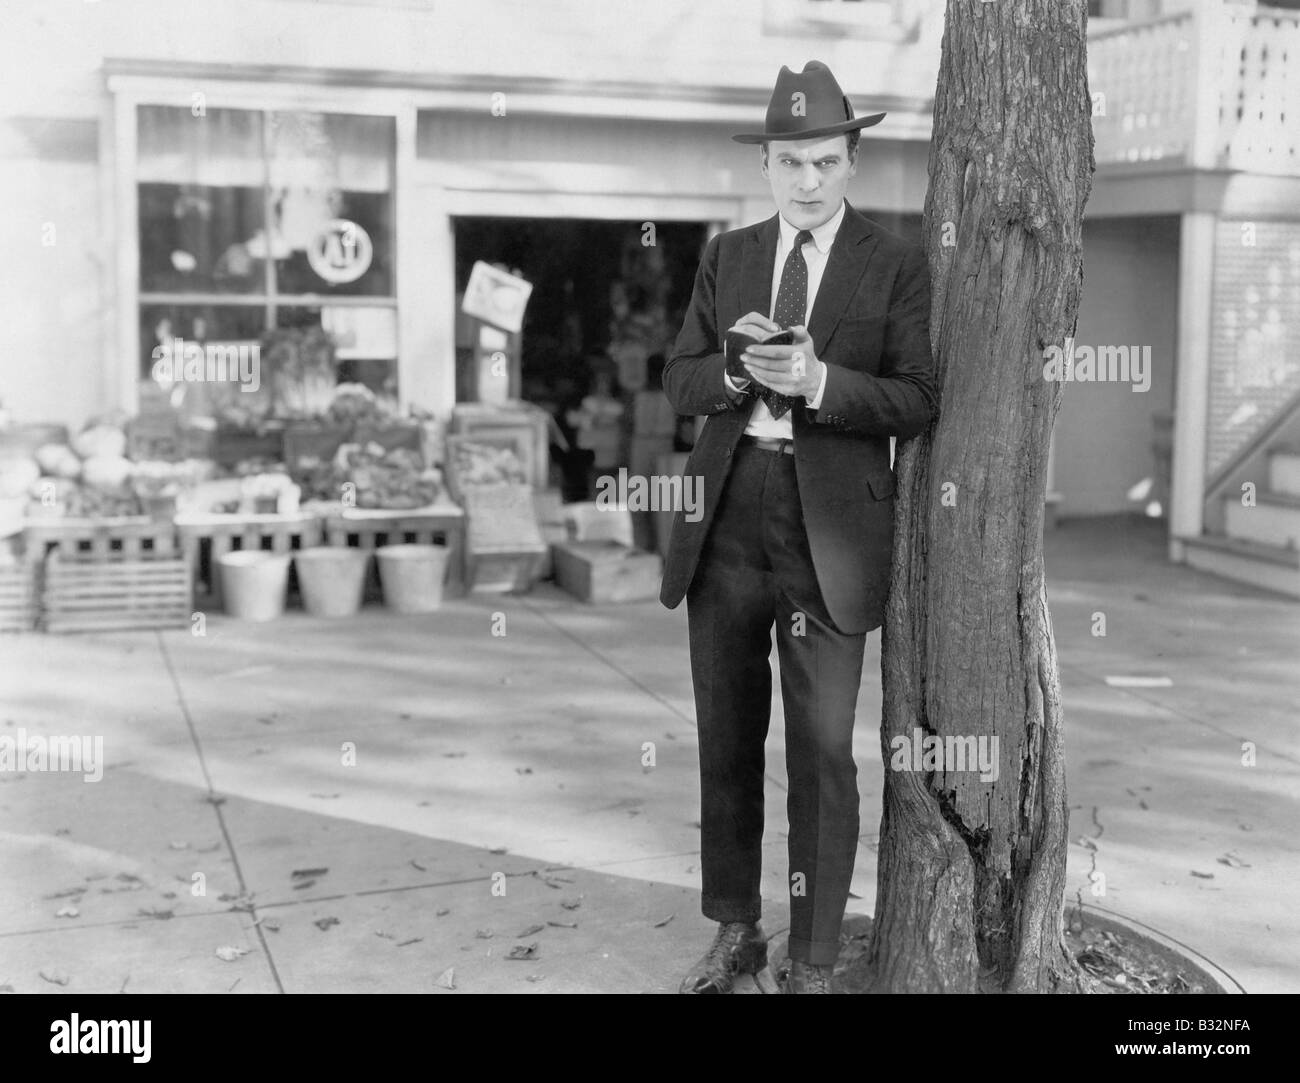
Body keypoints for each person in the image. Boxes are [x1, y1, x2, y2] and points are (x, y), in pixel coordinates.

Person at [659, 60, 937, 994]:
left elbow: (918, 396)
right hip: (729, 516)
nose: (806, 182)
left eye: (823, 161)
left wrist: (818, 384)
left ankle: (813, 955)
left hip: (830, 531)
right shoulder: (728, 255)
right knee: (725, 733)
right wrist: (739, 374)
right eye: (789, 163)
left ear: (852, 159)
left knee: (822, 752)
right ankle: (735, 929)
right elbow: (680, 377)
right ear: (767, 165)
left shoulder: (894, 262)